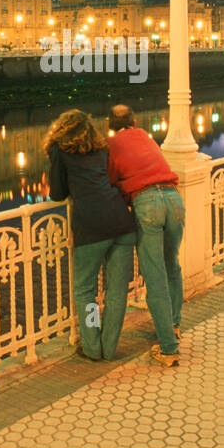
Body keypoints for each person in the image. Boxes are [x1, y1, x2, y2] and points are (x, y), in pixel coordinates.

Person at [44, 109, 138, 360]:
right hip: (121, 221)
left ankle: (92, 347)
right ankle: (109, 348)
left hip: (91, 226)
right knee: (117, 290)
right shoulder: (101, 149)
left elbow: (57, 193)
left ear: (62, 129)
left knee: (85, 290)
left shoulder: (59, 151)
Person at [106, 104, 184, 367]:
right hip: (173, 198)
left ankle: (169, 349)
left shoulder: (112, 144)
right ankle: (173, 325)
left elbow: (111, 180)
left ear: (110, 124)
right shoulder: (146, 137)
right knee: (171, 265)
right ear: (134, 121)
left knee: (155, 276)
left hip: (147, 202)